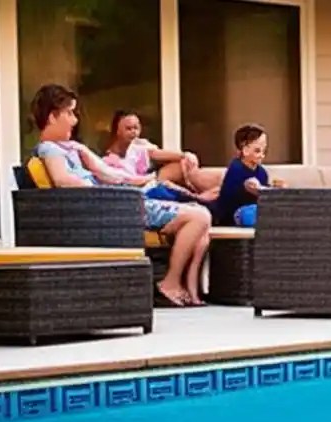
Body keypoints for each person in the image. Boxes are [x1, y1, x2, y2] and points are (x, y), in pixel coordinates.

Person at [29, 84, 211, 307]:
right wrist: (106, 192)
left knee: (200, 214)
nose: (75, 120)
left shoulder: (71, 148)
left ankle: (190, 289)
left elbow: (110, 174)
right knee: (199, 217)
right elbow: (62, 180)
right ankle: (170, 283)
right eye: (69, 113)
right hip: (114, 208)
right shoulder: (50, 149)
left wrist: (138, 179)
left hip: (118, 202)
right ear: (52, 117)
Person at [102, 110, 222, 201]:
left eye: (136, 128)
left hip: (152, 183)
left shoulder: (137, 147)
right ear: (117, 131)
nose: (134, 132)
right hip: (140, 194)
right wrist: (154, 178)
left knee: (180, 165)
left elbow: (156, 153)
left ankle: (205, 192)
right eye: (129, 129)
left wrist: (185, 155)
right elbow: (128, 182)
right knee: (164, 185)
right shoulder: (108, 161)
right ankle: (198, 198)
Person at [213, 124, 282, 228]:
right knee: (250, 213)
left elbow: (263, 195)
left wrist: (275, 190)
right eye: (257, 151)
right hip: (234, 214)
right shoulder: (236, 168)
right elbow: (246, 189)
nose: (262, 155)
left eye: (264, 151)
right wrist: (258, 189)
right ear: (245, 150)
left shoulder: (262, 172)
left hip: (255, 208)